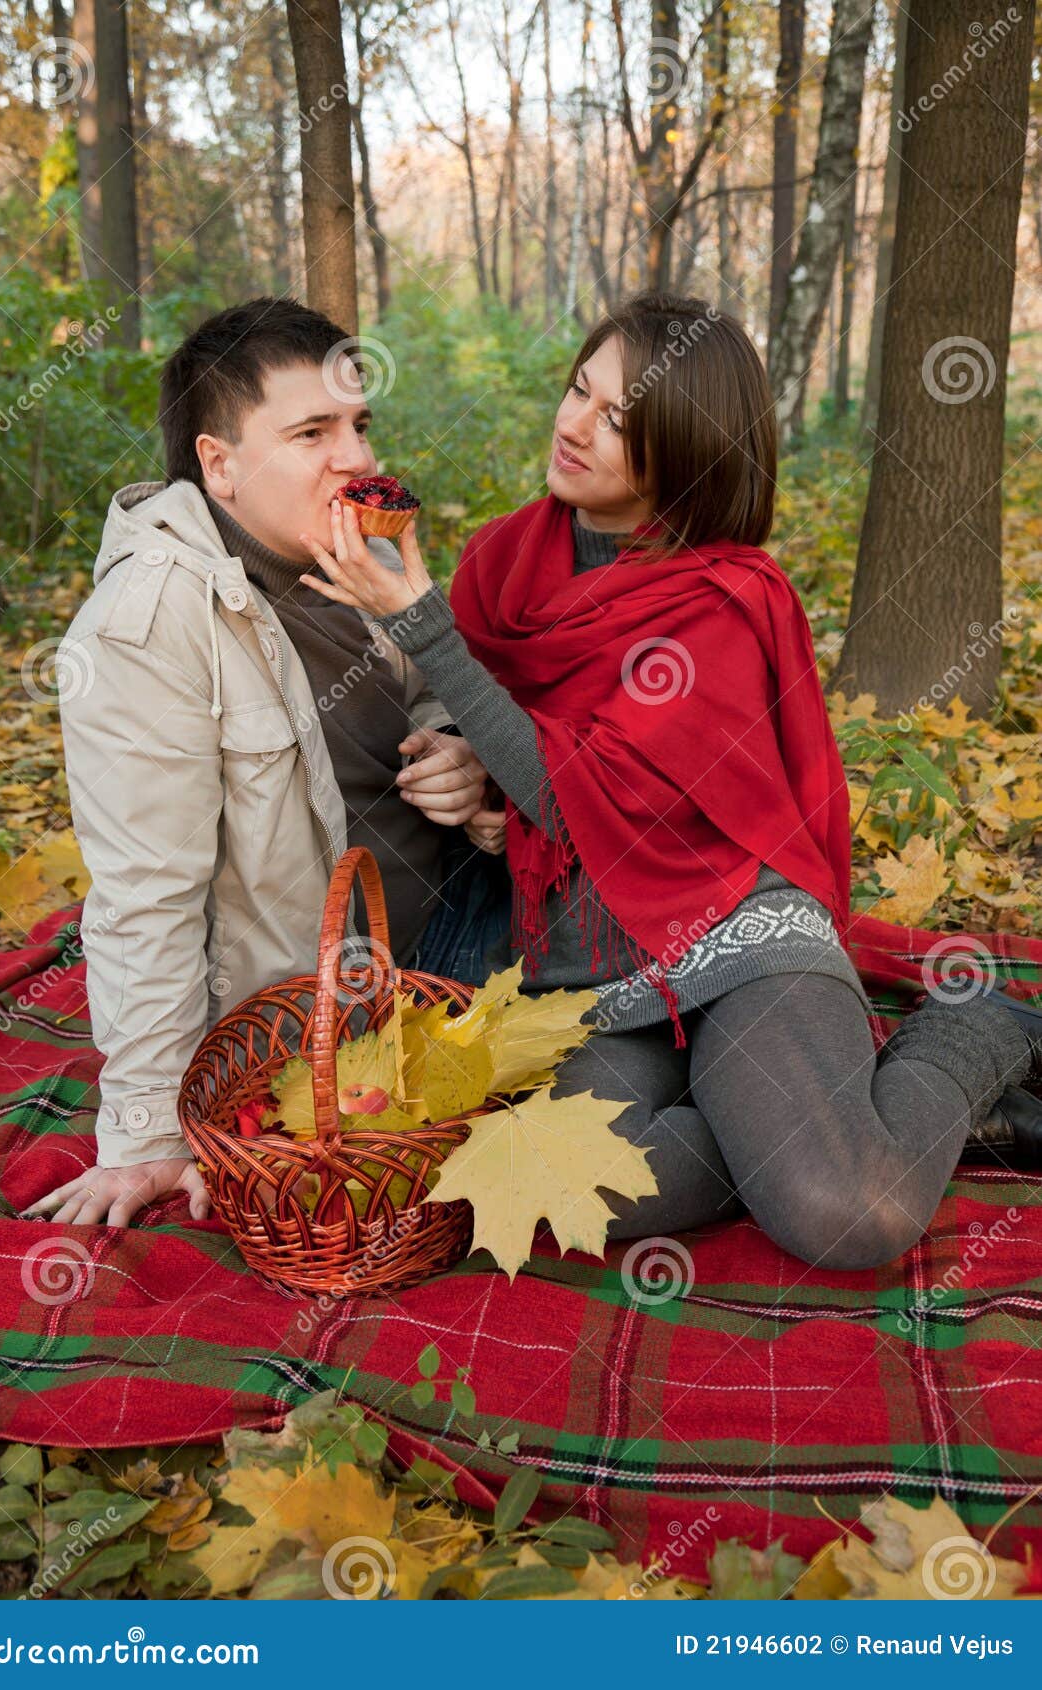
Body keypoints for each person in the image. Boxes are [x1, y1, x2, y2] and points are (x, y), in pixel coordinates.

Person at [294, 290, 1042, 1272]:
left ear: (684, 451)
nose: (572, 425)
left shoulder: (721, 600)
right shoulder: (504, 559)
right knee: (542, 1184)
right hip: (591, 966)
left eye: (617, 419)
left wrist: (422, 623)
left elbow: (572, 791)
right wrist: (460, 760)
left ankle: (974, 1030)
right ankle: (796, 1120)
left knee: (848, 1209)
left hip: (730, 933)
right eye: (577, 389)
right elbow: (477, 709)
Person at [20, 297, 491, 1230]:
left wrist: (458, 750)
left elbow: (425, 692)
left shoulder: (345, 551)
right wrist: (149, 1131)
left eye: (358, 425)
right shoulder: (148, 624)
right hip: (335, 1012)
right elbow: (144, 897)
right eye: (312, 431)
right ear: (218, 462)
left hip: (464, 914)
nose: (354, 457)